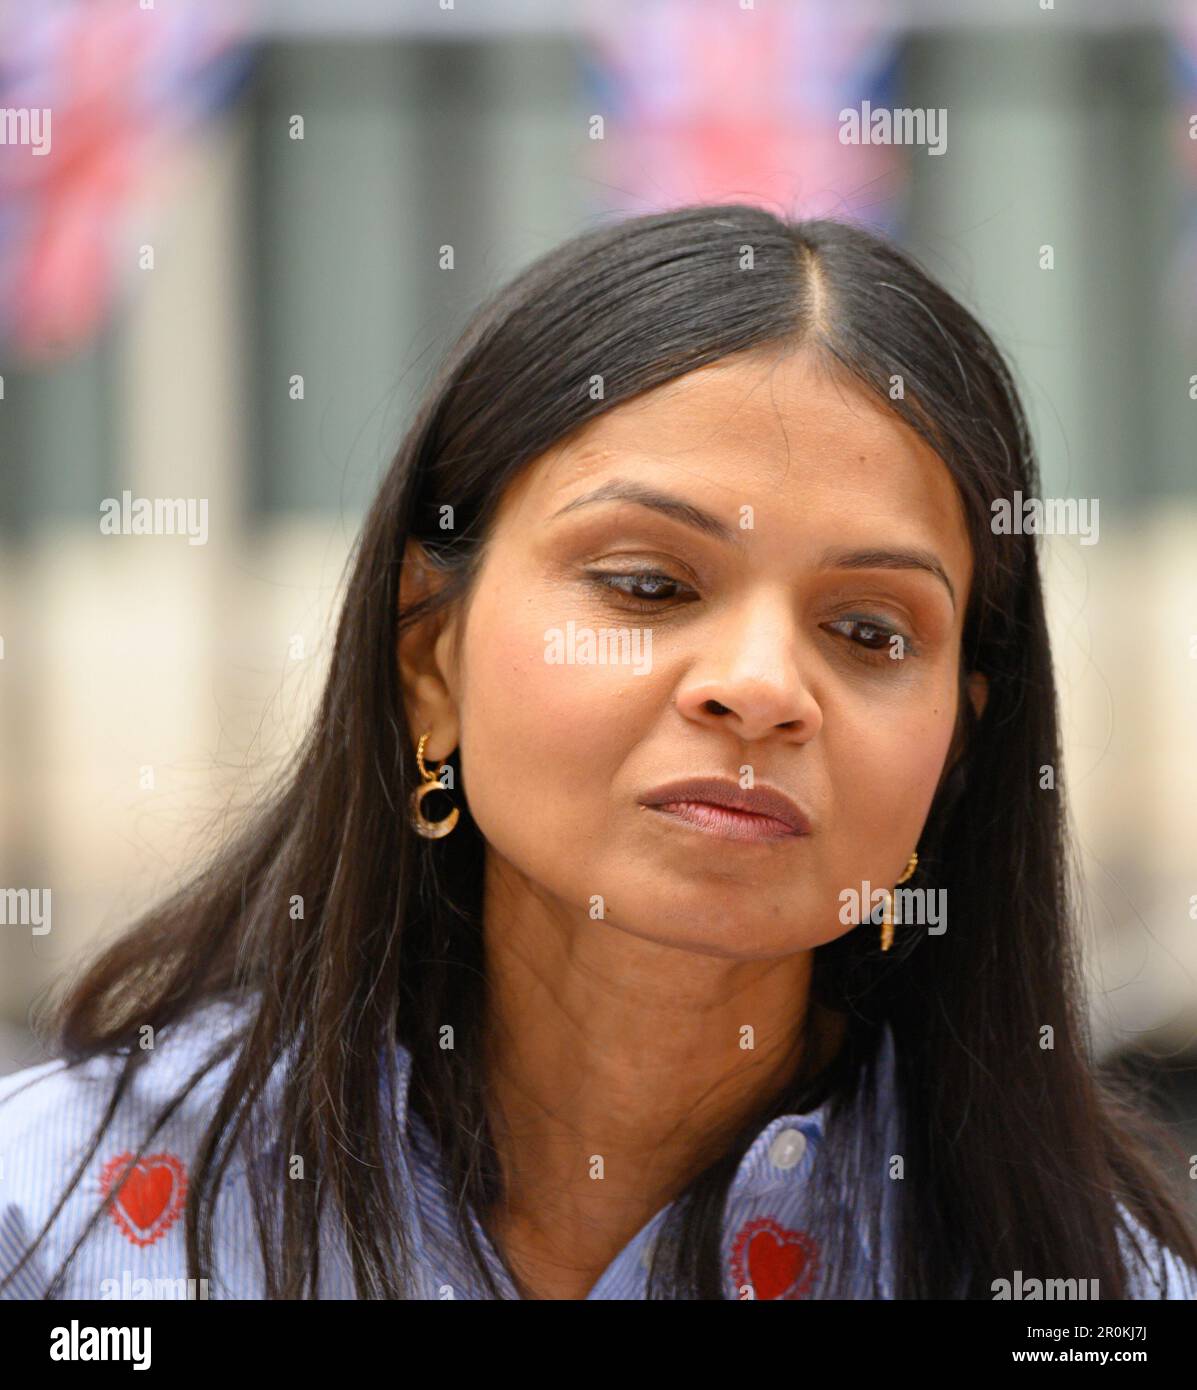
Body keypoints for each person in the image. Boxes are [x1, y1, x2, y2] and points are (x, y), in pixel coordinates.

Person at [2, 204, 1195, 1300]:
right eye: (648, 585)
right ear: (429, 654)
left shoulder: (1085, 1285)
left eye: (869, 631)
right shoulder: (57, 1220)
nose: (763, 688)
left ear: (957, 744)